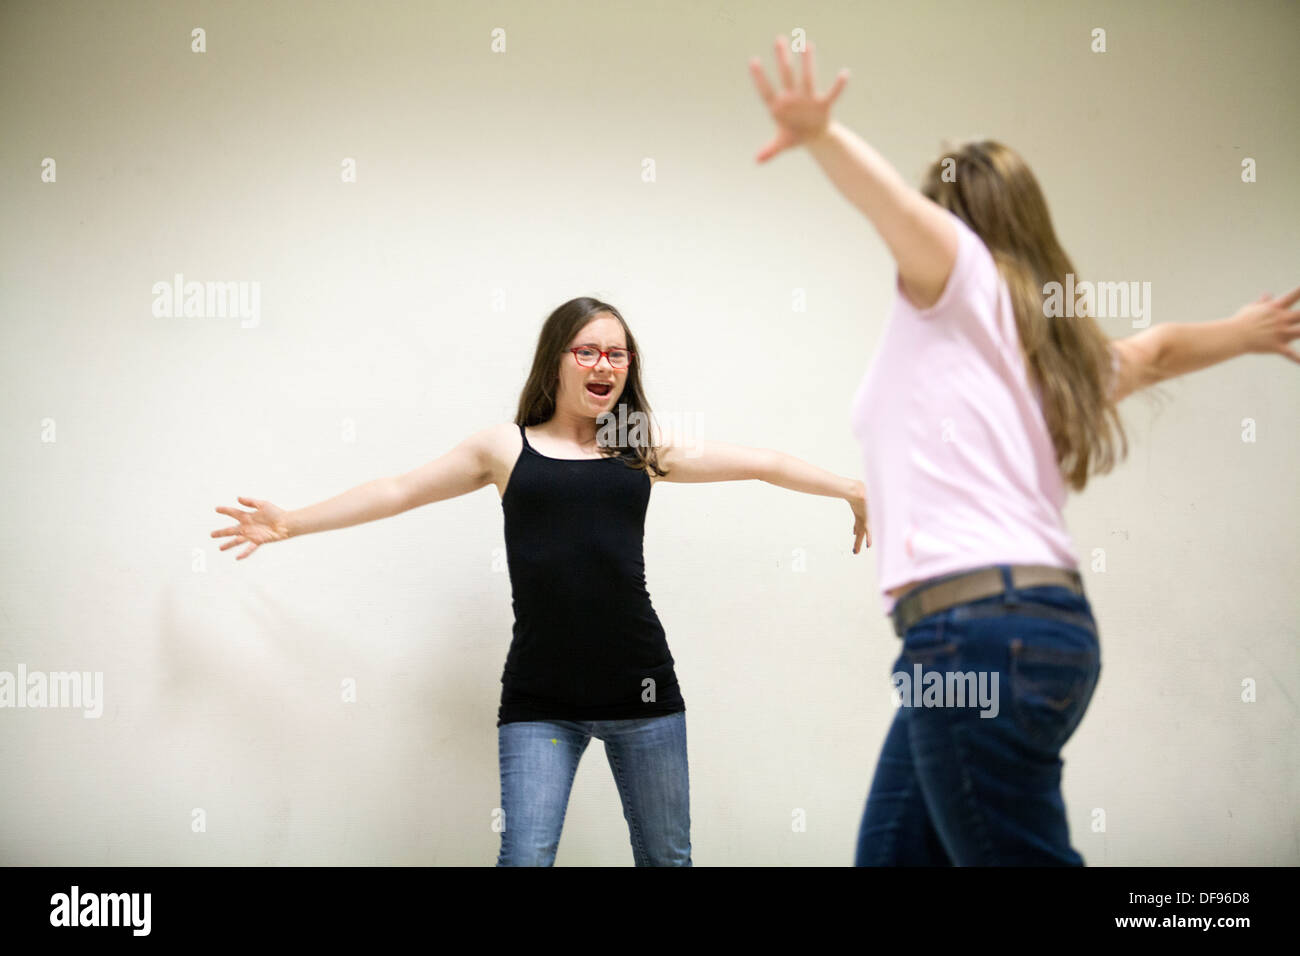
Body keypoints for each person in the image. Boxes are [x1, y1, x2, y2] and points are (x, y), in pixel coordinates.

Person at [748, 38, 1300, 865]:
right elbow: (1157, 350)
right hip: (1029, 635)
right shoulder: (1056, 350)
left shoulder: (959, 276)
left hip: (975, 635)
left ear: (958, 222)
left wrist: (823, 137)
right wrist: (1247, 332)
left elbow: (894, 208)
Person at [211, 295, 870, 866]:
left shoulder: (638, 444)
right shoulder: (505, 448)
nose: (605, 366)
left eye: (618, 355)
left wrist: (849, 487)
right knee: (524, 856)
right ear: (556, 358)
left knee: (668, 859)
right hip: (539, 698)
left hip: (643, 691)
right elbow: (399, 488)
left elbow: (762, 462)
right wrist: (292, 522)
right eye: (588, 352)